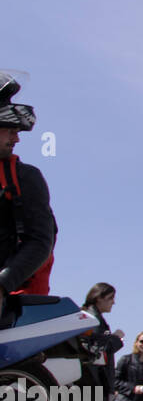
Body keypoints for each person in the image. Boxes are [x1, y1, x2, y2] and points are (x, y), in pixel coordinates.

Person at [0, 74, 56, 311]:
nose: (17, 137)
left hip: (12, 300)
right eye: (10, 129)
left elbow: (41, 240)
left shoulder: (24, 176)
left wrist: (2, 285)